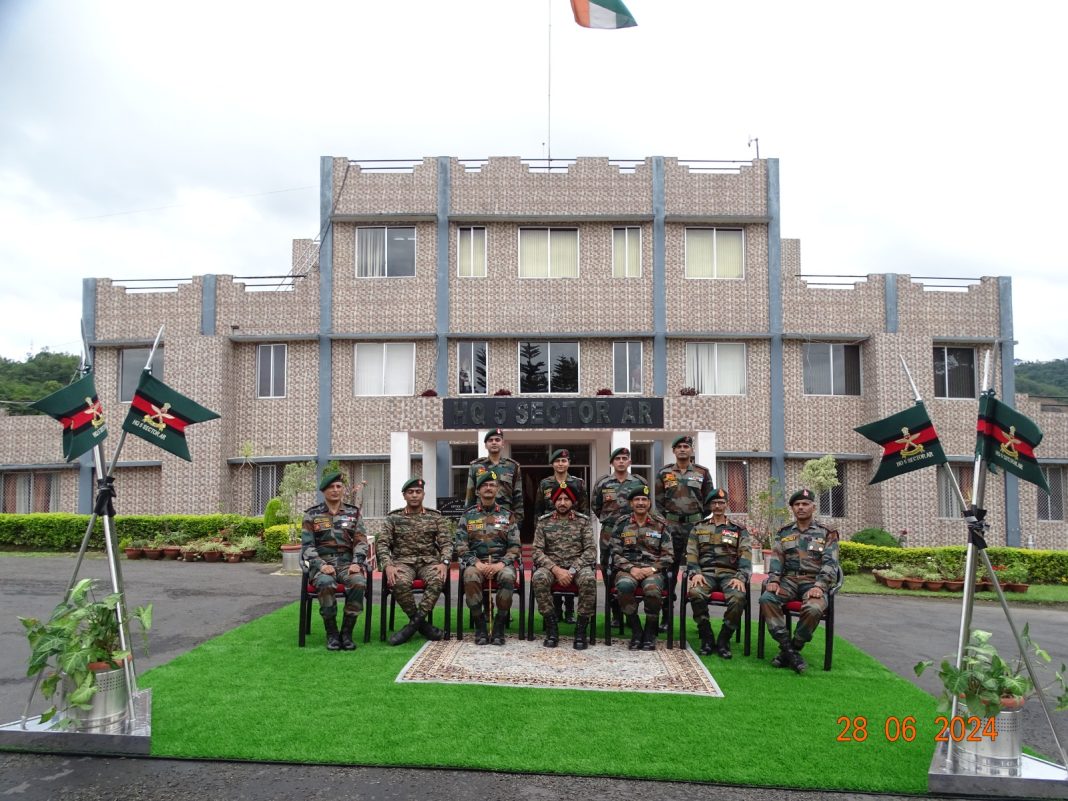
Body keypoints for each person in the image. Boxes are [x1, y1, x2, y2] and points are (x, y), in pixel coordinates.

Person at [759, 488, 840, 673]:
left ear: (813, 507)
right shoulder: (784, 532)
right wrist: (774, 580)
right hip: (789, 581)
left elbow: (830, 564)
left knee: (813, 608)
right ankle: (788, 648)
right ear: (793, 509)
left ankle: (793, 648)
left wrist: (820, 586)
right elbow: (777, 560)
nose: (801, 507)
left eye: (805, 504)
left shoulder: (827, 533)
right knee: (767, 599)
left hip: (814, 582)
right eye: (797, 505)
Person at [378, 477, 453, 646]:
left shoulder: (435, 517)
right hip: (403, 562)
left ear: (423, 494)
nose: (414, 495)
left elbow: (446, 543)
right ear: (404, 495)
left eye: (418, 492)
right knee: (398, 581)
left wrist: (445, 562)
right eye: (410, 492)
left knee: (437, 579)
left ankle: (411, 626)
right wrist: (387, 565)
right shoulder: (393, 518)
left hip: (429, 562)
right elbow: (382, 543)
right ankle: (422, 625)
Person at [301, 469, 368, 651]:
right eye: (331, 487)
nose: (335, 490)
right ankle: (331, 633)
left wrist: (357, 562)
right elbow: (307, 547)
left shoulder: (353, 513)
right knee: (326, 584)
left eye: (339, 486)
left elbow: (361, 541)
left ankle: (346, 633)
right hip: (322, 565)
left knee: (359, 582)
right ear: (324, 490)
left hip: (347, 563)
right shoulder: (312, 515)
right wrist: (321, 566)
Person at [455, 470, 521, 646]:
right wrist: (476, 563)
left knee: (508, 576)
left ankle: (499, 624)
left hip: (501, 562)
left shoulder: (507, 515)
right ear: (477, 491)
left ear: (498, 489)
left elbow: (515, 547)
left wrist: (502, 564)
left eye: (492, 485)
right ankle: (480, 625)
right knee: (469, 576)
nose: (488, 488)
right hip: (476, 562)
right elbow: (461, 545)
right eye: (484, 485)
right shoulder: (467, 515)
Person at [686, 487, 751, 658]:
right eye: (714, 503)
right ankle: (706, 636)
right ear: (709, 506)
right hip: (705, 573)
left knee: (738, 598)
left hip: (730, 575)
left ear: (726, 505)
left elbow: (745, 554)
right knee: (695, 593)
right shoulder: (698, 528)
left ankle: (724, 638)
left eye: (721, 503)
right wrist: (695, 573)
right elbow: (691, 553)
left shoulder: (738, 529)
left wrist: (741, 577)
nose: (717, 506)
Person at [655, 435, 712, 630]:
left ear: (691, 450)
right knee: (668, 572)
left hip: (695, 528)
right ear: (673, 450)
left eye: (686, 446)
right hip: (671, 527)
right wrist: (670, 520)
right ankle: (666, 616)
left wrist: (694, 518)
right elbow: (659, 502)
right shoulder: (664, 473)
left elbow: (709, 502)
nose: (682, 450)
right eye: (678, 446)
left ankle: (702, 621)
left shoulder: (702, 472)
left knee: (699, 570)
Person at [531, 483, 596, 650]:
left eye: (566, 499)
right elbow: (537, 551)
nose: (562, 502)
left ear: (573, 501)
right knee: (538, 578)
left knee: (589, 579)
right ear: (553, 501)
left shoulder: (583, 521)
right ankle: (552, 628)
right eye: (559, 499)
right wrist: (557, 570)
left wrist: (572, 571)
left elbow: (590, 550)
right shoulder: (544, 522)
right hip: (552, 567)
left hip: (577, 567)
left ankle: (581, 630)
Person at [609, 484, 673, 651]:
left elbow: (668, 556)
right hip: (628, 570)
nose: (640, 503)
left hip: (653, 570)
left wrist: (651, 569)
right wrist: (631, 569)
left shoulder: (660, 525)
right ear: (631, 503)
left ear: (649, 503)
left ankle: (650, 633)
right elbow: (615, 553)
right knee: (623, 586)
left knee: (652, 590)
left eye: (644, 499)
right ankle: (636, 631)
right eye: (637, 499)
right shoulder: (622, 524)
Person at [590, 446, 647, 625]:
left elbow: (645, 505)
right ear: (612, 462)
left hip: (632, 532)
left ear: (629, 461)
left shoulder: (639, 482)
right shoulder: (603, 483)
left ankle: (630, 610)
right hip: (608, 532)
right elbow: (595, 505)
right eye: (618, 459)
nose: (621, 461)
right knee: (608, 570)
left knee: (631, 567)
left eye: (624, 458)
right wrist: (610, 521)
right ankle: (615, 613)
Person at [533, 448, 588, 623]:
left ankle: (570, 611)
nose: (560, 464)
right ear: (553, 464)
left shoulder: (578, 483)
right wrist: (540, 530)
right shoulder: (545, 483)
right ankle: (555, 611)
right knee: (552, 567)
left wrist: (577, 524)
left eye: (564, 461)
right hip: (550, 531)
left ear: (568, 463)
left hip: (574, 529)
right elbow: (538, 508)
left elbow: (583, 507)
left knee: (571, 565)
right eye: (557, 461)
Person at [465, 428, 523, 527]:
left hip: (505, 516)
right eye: (490, 440)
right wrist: (467, 517)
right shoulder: (476, 466)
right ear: (486, 445)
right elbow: (470, 495)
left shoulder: (512, 466)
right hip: (480, 515)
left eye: (497, 440)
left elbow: (518, 496)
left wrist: (518, 521)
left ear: (503, 444)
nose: (494, 443)